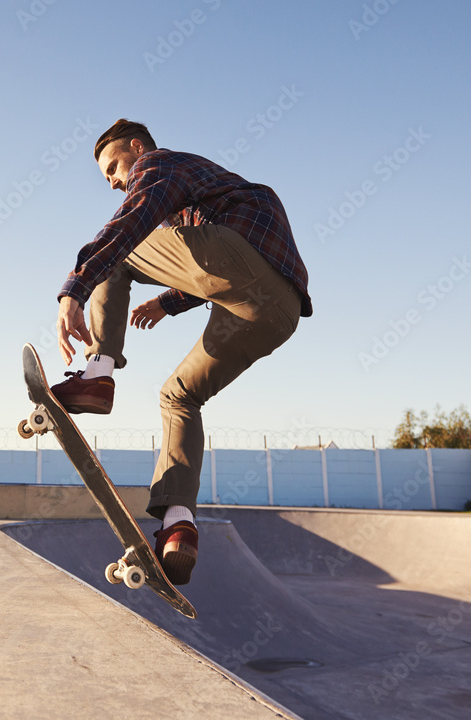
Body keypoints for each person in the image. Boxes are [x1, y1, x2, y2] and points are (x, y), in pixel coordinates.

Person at [52, 119, 311, 585]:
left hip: (242, 270)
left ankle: (97, 373)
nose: (113, 180)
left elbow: (133, 223)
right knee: (178, 397)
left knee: (117, 249)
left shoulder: (158, 164)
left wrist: (76, 289)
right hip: (277, 313)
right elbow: (217, 265)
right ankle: (178, 526)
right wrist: (168, 302)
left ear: (136, 147)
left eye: (113, 167)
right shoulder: (201, 200)